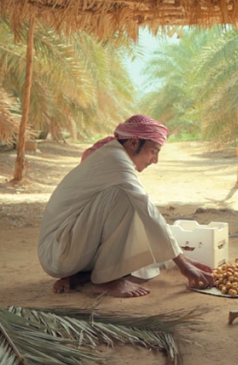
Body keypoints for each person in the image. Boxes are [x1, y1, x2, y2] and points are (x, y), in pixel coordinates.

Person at [37, 114, 215, 298]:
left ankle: (83, 277)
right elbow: (148, 211)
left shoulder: (113, 154)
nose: (155, 160)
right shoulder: (115, 159)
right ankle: (108, 280)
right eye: (154, 151)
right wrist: (182, 264)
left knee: (146, 253)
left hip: (71, 248)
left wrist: (182, 259)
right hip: (59, 251)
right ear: (133, 143)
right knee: (125, 198)